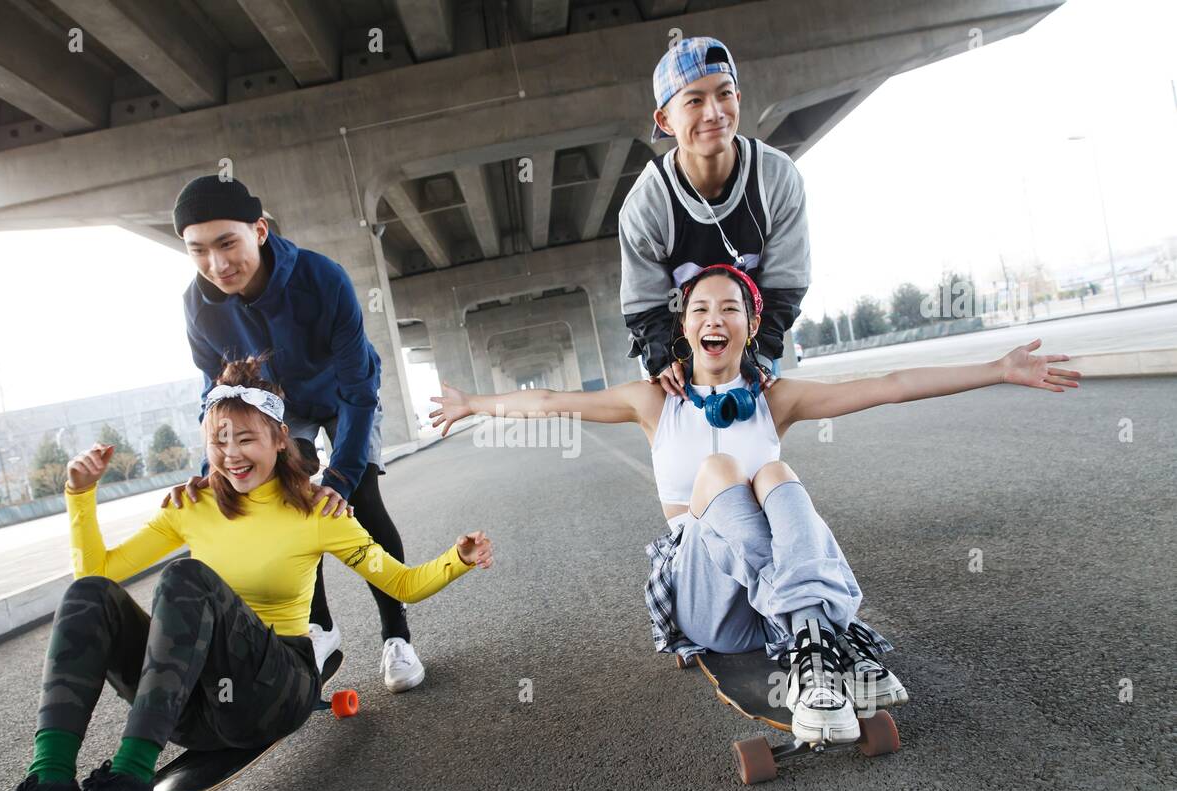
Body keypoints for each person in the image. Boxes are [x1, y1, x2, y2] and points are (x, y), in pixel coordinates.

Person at [431, 264, 1080, 745]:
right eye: (701, 309)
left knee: (773, 469)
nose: (715, 318)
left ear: (750, 325)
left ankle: (811, 645)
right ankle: (825, 634)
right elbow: (549, 403)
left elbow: (889, 385)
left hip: (768, 606)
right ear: (684, 328)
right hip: (707, 597)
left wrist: (997, 369)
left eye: (731, 308)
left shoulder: (777, 399)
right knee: (720, 469)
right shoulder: (652, 403)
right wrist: (473, 406)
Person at [0, 357, 493, 791]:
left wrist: (458, 559)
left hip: (277, 691)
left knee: (186, 578)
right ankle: (48, 784)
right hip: (194, 707)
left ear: (278, 440)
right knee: (88, 596)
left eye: (245, 439)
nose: (231, 455)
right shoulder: (190, 506)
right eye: (219, 442)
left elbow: (400, 582)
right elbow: (96, 573)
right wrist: (80, 496)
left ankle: (131, 780)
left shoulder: (319, 509)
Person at [169, 174, 425, 693]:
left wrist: (343, 477)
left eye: (227, 243)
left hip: (341, 393)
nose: (217, 265)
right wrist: (209, 472)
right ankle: (320, 629)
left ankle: (396, 637)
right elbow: (215, 395)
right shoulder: (198, 306)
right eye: (199, 251)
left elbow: (357, 390)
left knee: (358, 503)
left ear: (258, 231)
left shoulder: (321, 279)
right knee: (286, 504)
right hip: (277, 409)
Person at [620, 36, 810, 398]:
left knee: (758, 447)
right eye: (694, 100)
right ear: (665, 120)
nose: (714, 112)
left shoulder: (776, 177)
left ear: (737, 99)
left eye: (724, 94)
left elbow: (786, 284)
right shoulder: (647, 203)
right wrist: (663, 361)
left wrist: (760, 355)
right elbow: (643, 303)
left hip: (748, 343)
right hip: (679, 353)